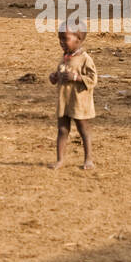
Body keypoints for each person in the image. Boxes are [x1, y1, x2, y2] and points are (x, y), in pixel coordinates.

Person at [49, 23, 96, 169]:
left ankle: (88, 159)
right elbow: (61, 73)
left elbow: (93, 79)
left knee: (83, 129)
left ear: (79, 39)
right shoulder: (65, 57)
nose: (62, 42)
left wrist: (76, 77)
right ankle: (60, 160)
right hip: (64, 100)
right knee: (62, 130)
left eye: (65, 39)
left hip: (79, 102)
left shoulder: (85, 59)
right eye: (60, 39)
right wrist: (54, 77)